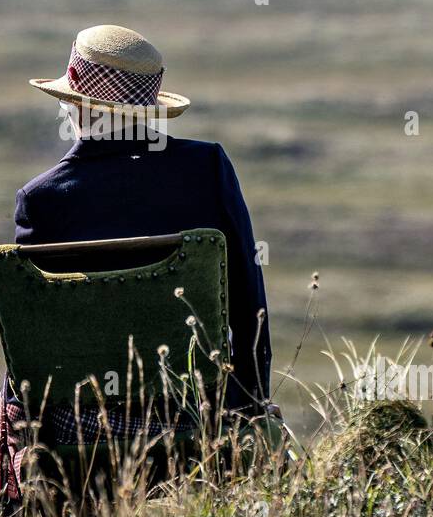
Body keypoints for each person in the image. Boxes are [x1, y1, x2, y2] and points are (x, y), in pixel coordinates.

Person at [15, 24, 272, 410]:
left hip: (85, 417)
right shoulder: (207, 169)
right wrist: (251, 404)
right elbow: (248, 296)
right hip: (200, 409)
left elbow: (35, 331)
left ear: (72, 99)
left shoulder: (42, 199)